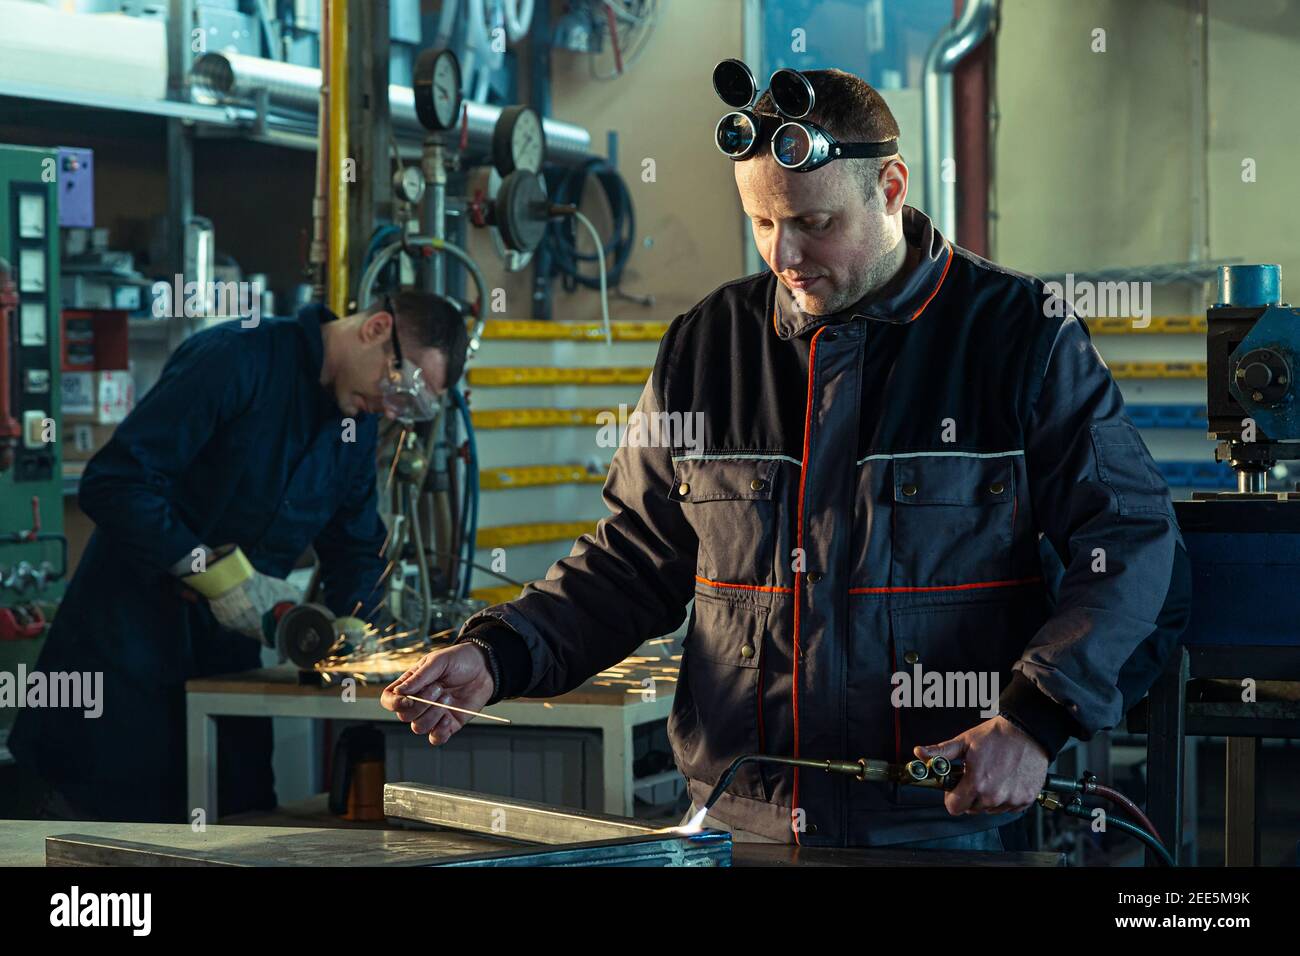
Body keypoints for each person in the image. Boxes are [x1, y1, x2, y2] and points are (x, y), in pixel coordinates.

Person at [381, 69, 1190, 849]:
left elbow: (1127, 542)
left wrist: (1034, 718)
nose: (785, 253)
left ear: (893, 188)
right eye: (763, 224)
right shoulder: (708, 345)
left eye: (814, 222)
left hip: (942, 823)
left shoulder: (1020, 336)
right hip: (742, 825)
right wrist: (502, 653)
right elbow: (635, 558)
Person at [10, 288, 466, 822]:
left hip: (228, 667)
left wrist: (360, 629)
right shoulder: (237, 358)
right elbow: (115, 483)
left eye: (410, 403)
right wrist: (211, 572)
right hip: (122, 656)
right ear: (374, 329)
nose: (391, 406)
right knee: (115, 841)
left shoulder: (354, 426)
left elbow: (355, 544)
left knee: (241, 822)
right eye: (399, 384)